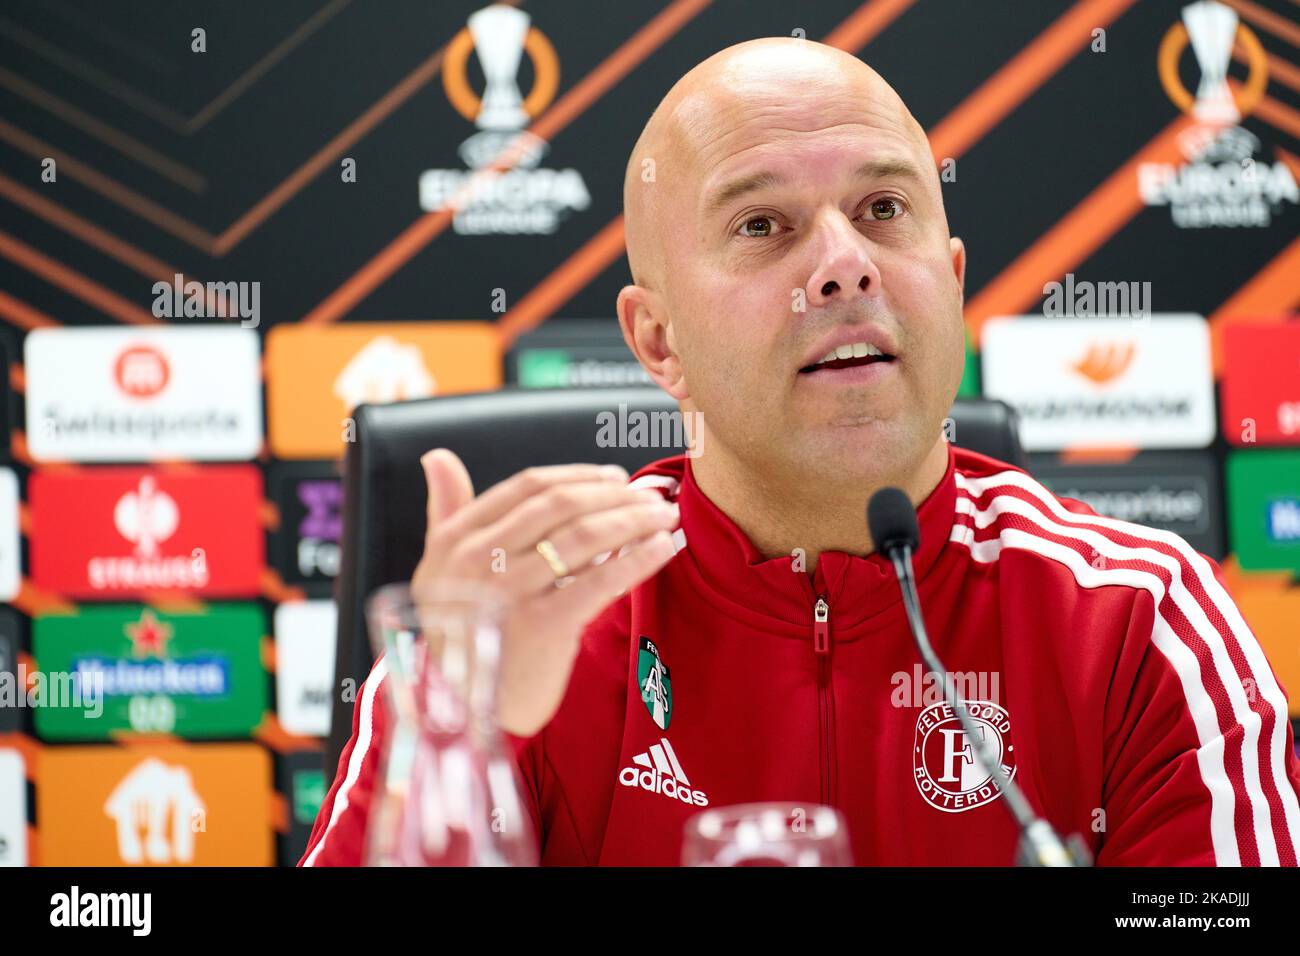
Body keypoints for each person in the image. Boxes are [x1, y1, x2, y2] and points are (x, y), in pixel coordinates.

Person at [301, 37, 1300, 866]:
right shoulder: (524, 627)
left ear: (948, 284)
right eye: (762, 223)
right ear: (657, 341)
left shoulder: (1138, 619)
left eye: (882, 210)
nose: (842, 265)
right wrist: (463, 730)